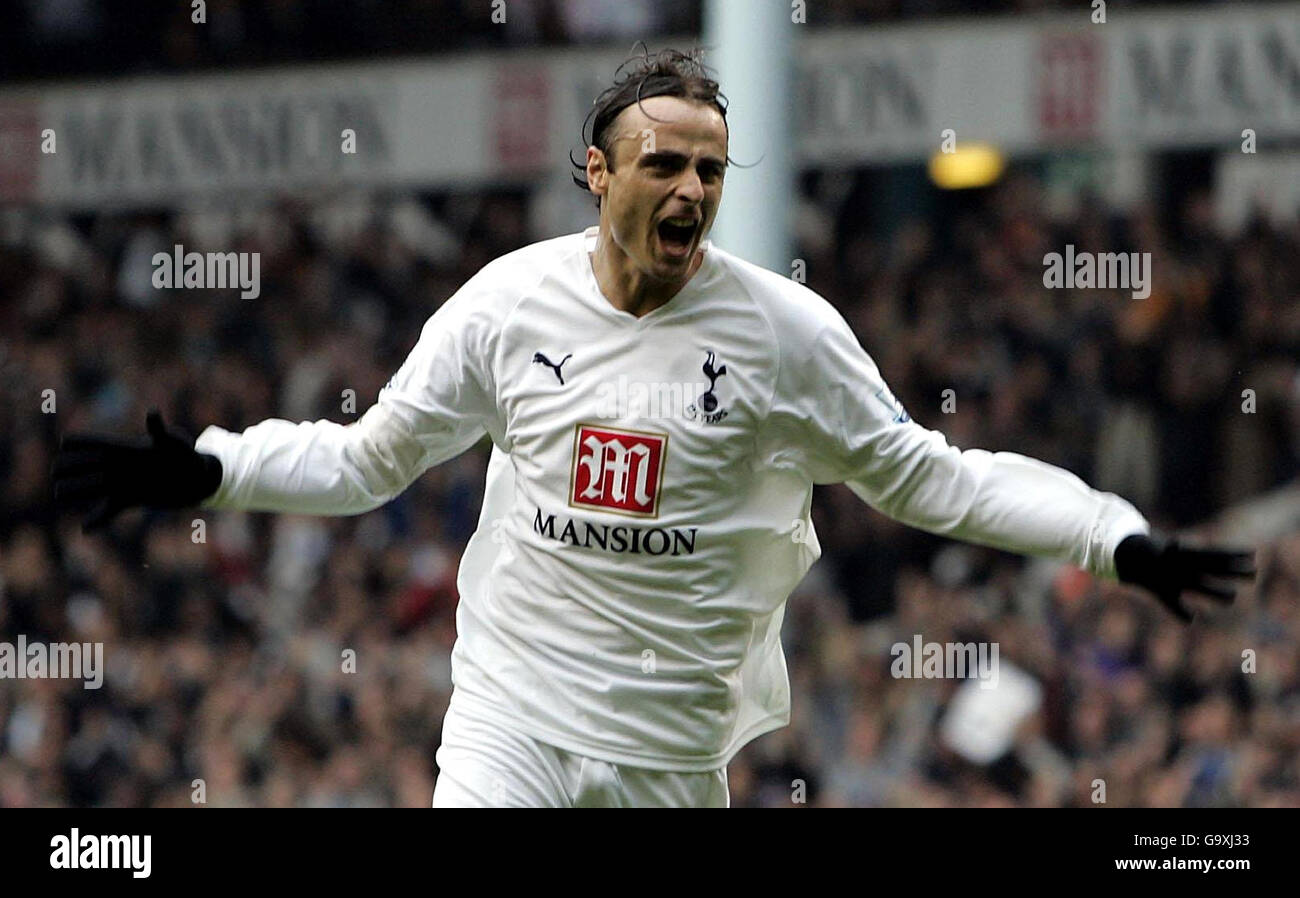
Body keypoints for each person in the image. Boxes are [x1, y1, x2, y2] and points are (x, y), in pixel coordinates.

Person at [53, 48, 1256, 808]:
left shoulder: (787, 336)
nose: (690, 190)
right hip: (508, 721)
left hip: (668, 754)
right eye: (664, 164)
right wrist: (215, 468)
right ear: (596, 172)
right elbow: (371, 461)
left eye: (711, 171)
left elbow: (933, 483)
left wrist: (1112, 536)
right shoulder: (506, 305)